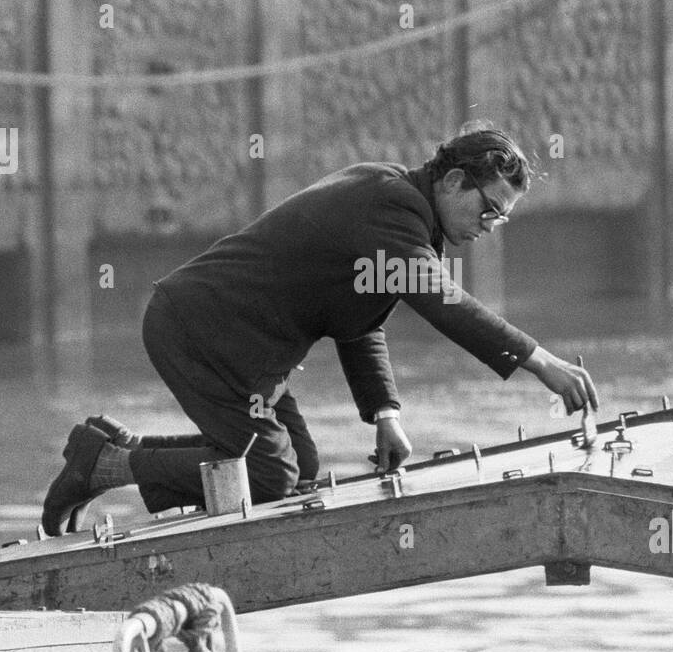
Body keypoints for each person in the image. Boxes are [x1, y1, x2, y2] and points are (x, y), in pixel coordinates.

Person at [41, 126, 598, 535]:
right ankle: (105, 464)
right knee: (269, 477)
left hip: (244, 349)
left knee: (298, 468)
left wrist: (386, 415)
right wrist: (539, 361)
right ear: (455, 181)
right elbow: (444, 303)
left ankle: (113, 453)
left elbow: (356, 321)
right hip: (202, 331)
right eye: (490, 211)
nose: (489, 227)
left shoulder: (400, 213)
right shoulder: (392, 204)